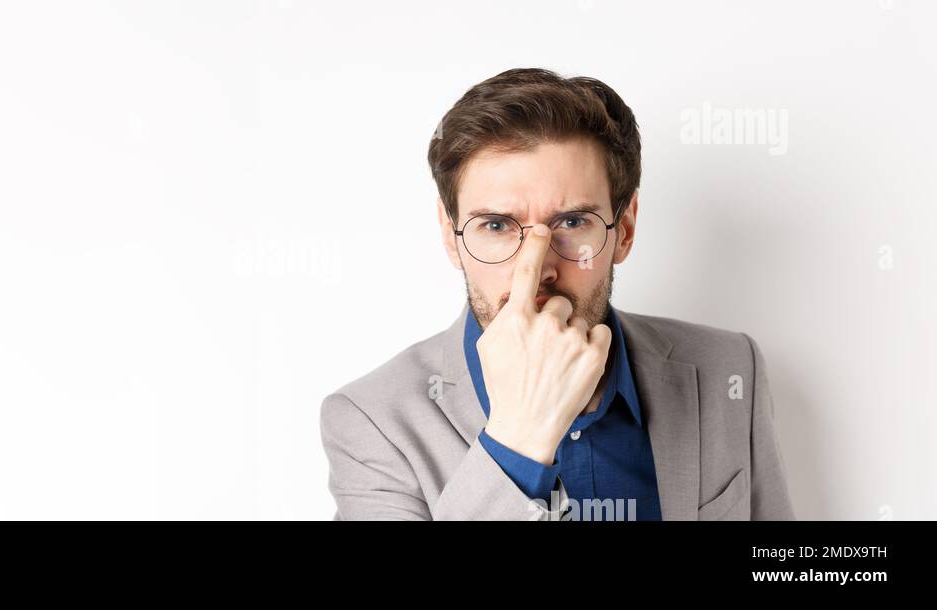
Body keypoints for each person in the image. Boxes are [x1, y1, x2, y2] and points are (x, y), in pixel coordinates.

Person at [319, 68, 795, 521]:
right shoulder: (372, 421)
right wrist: (519, 436)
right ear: (452, 237)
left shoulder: (731, 370)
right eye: (497, 225)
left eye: (571, 222)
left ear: (623, 231)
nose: (538, 268)